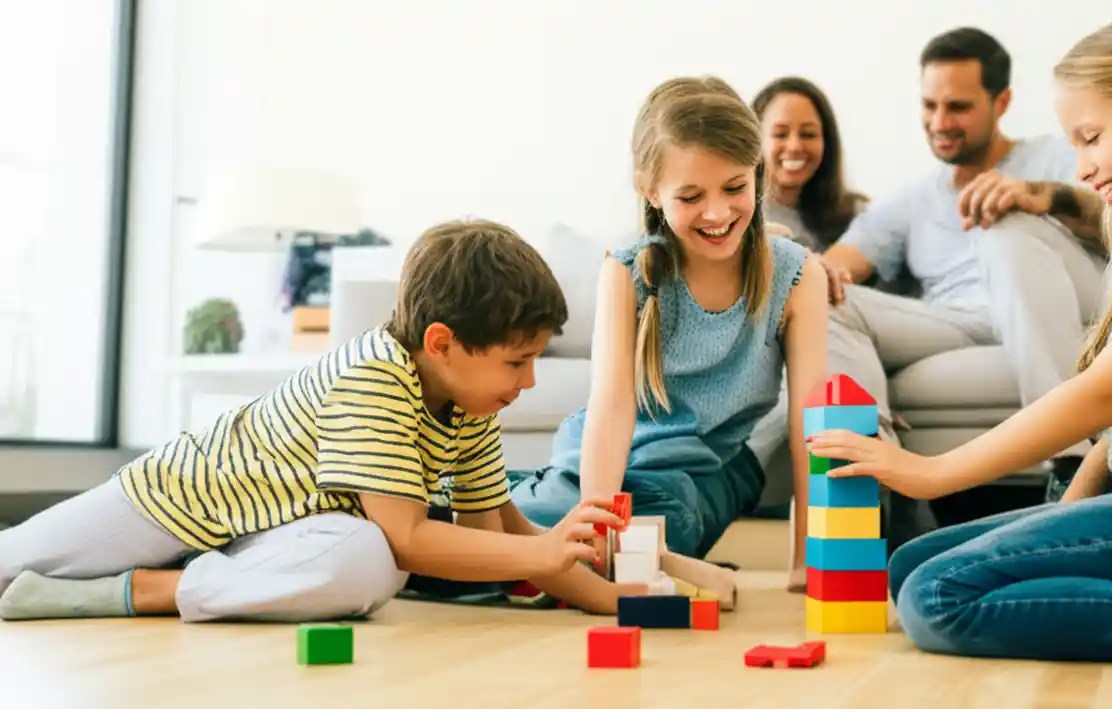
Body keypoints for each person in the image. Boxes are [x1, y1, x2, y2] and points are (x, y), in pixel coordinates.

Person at [811, 4, 1112, 665]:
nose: (1082, 166)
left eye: (1091, 137)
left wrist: (931, 472)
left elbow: (1102, 395)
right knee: (913, 564)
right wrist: (1065, 517)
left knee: (939, 597)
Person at [0, 220, 641, 622]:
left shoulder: (470, 403)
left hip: (270, 539)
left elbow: (495, 537)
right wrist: (544, 550)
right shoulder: (376, 376)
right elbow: (418, 540)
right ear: (442, 342)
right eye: (516, 361)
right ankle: (150, 588)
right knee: (11, 560)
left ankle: (140, 592)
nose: (528, 382)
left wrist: (615, 596)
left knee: (368, 564)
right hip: (177, 501)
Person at [509, 76, 829, 586]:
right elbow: (612, 410)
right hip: (606, 464)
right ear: (649, 190)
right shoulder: (626, 271)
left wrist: (810, 558)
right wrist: (597, 532)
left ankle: (501, 526)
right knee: (597, 539)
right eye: (691, 196)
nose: (718, 213)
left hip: (705, 471)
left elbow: (812, 427)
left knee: (664, 523)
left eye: (734, 187)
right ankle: (477, 520)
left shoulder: (798, 276)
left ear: (757, 174)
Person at [814, 27, 1110, 506]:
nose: (940, 121)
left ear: (1002, 102)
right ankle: (874, 480)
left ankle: (1071, 460)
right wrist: (806, 269)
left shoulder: (1058, 154)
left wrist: (1041, 197)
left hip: (1060, 305)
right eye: (930, 106)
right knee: (817, 293)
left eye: (958, 107)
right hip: (963, 321)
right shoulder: (913, 199)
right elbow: (835, 266)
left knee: (1001, 225)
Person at [752, 76, 868, 300]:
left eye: (808, 134)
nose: (795, 146)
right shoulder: (740, 221)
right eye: (780, 134)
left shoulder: (857, 213)